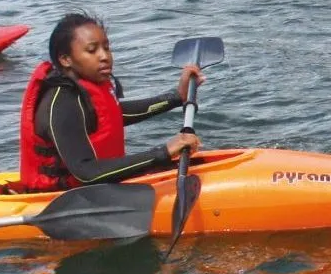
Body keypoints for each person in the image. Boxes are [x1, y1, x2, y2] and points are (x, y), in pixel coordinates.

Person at [14, 13, 204, 192]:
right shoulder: (62, 102)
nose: (104, 56)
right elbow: (86, 172)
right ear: (65, 59)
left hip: (98, 188)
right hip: (63, 199)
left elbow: (115, 113)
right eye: (92, 50)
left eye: (106, 47)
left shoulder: (83, 89)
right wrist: (163, 152)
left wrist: (177, 97)